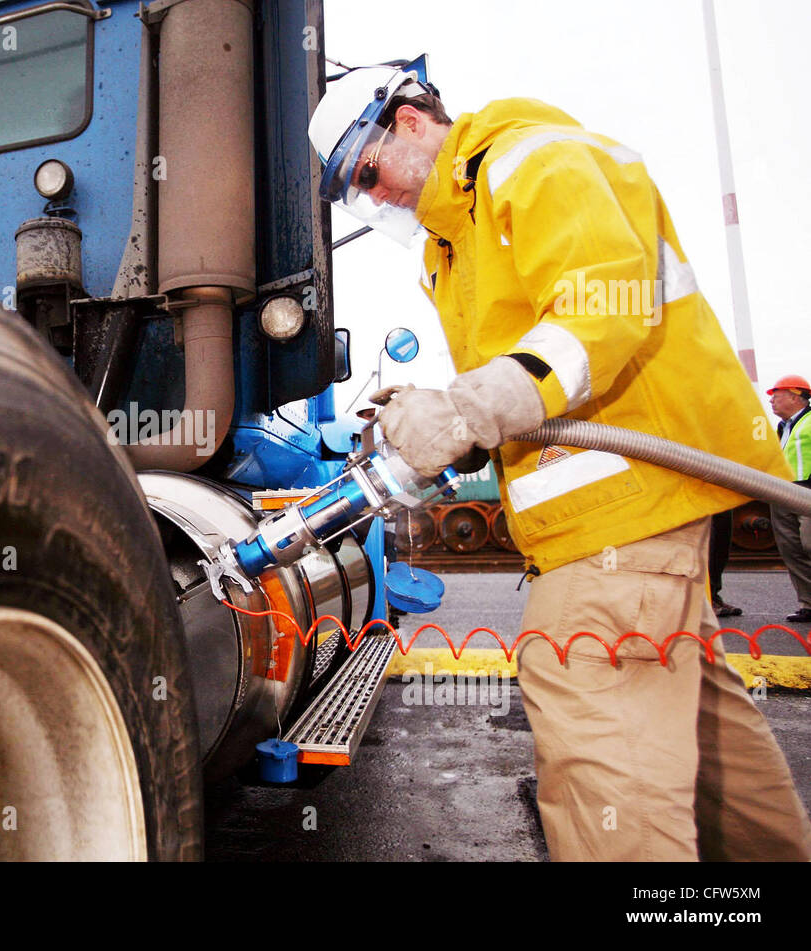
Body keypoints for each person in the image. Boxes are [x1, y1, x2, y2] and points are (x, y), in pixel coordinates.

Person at [309, 58, 811, 860]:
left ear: (407, 120)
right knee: (706, 742)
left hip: (624, 509)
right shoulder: (454, 240)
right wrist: (442, 408)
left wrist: (464, 410)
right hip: (632, 514)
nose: (375, 197)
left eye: (367, 171)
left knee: (593, 724)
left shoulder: (527, 159)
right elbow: (534, 365)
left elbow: (595, 317)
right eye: (357, 191)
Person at [767, 375, 811, 622]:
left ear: (795, 397)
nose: (772, 401)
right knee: (791, 548)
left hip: (806, 491)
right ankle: (808, 603)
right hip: (782, 491)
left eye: (777, 395)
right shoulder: (784, 426)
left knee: (809, 543)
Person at [709, 509, 741, 618]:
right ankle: (705, 600)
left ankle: (713, 596)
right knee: (708, 545)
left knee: (721, 543)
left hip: (720, 495)